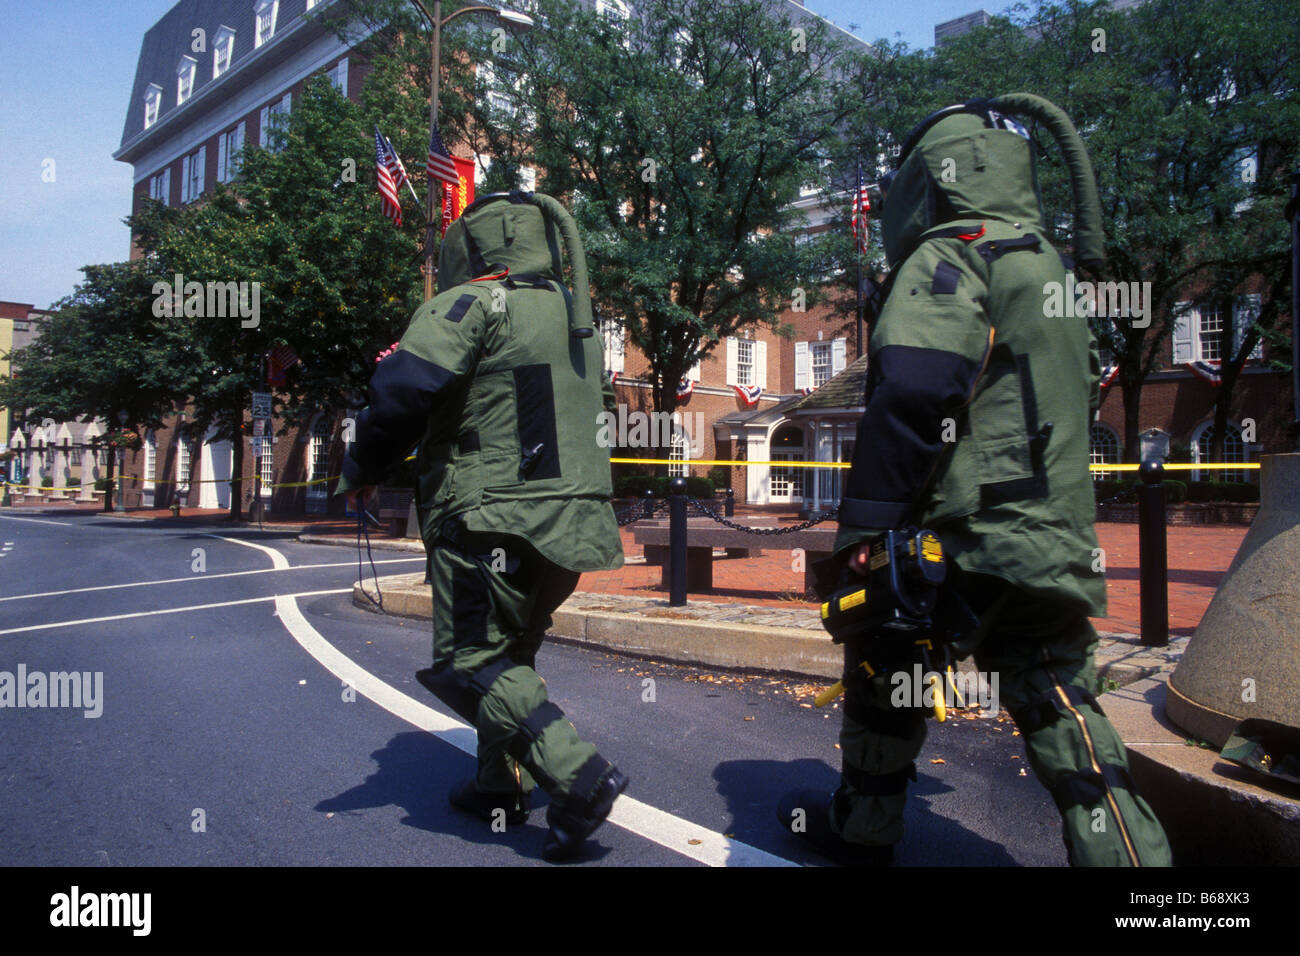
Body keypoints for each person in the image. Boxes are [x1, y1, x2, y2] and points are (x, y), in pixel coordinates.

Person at [779, 95, 1172, 866]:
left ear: (929, 179)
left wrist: (864, 532)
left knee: (882, 671)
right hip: (1048, 537)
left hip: (958, 539)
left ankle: (864, 830)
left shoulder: (952, 251)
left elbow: (916, 396)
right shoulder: (1049, 268)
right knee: (1060, 702)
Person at [339, 191, 627, 862]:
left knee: (470, 661)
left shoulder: (469, 304)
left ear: (474, 246)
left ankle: (579, 777)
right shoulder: (576, 316)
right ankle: (496, 786)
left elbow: (403, 391)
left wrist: (363, 463)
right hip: (572, 522)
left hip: (488, 515)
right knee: (510, 657)